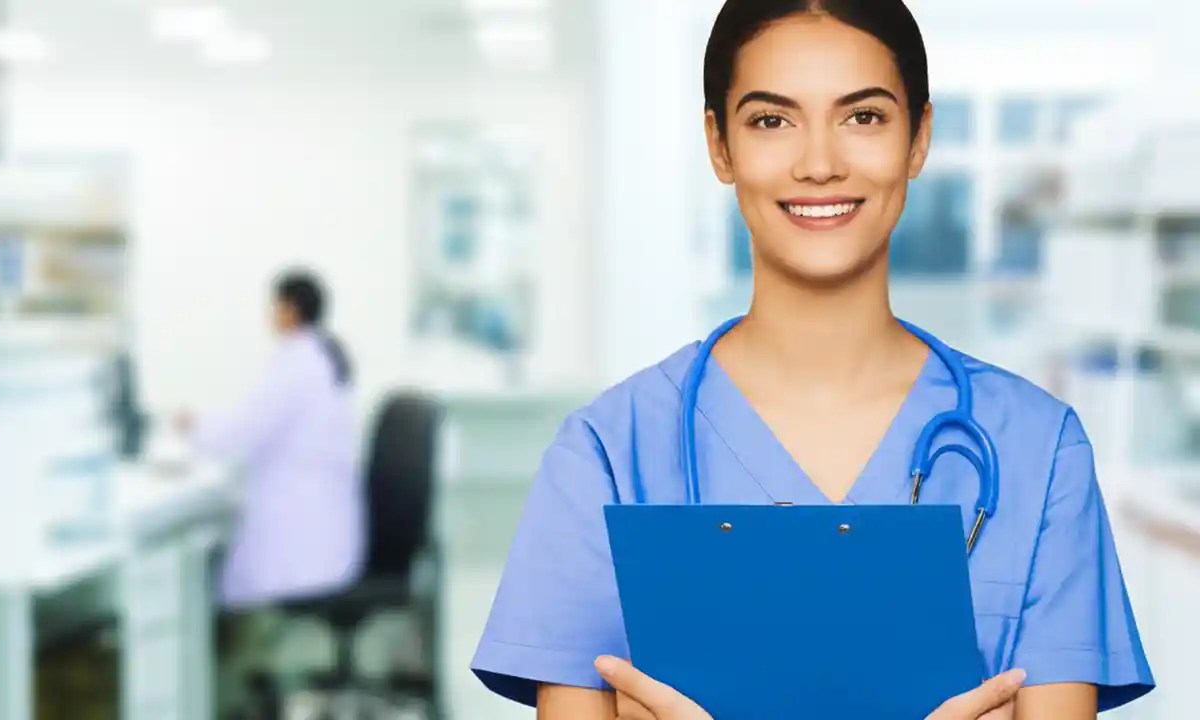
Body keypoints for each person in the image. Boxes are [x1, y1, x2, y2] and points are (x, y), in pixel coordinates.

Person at [470, 1, 1155, 718]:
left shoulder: (1039, 452)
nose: (820, 163)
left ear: (919, 138)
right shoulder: (607, 452)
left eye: (863, 117)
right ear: (720, 145)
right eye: (772, 120)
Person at [179, 269, 364, 609]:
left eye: (274, 306)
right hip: (323, 531)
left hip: (302, 544)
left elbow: (244, 430)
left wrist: (194, 427)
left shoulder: (298, 364)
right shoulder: (323, 357)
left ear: (289, 309)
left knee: (206, 579)